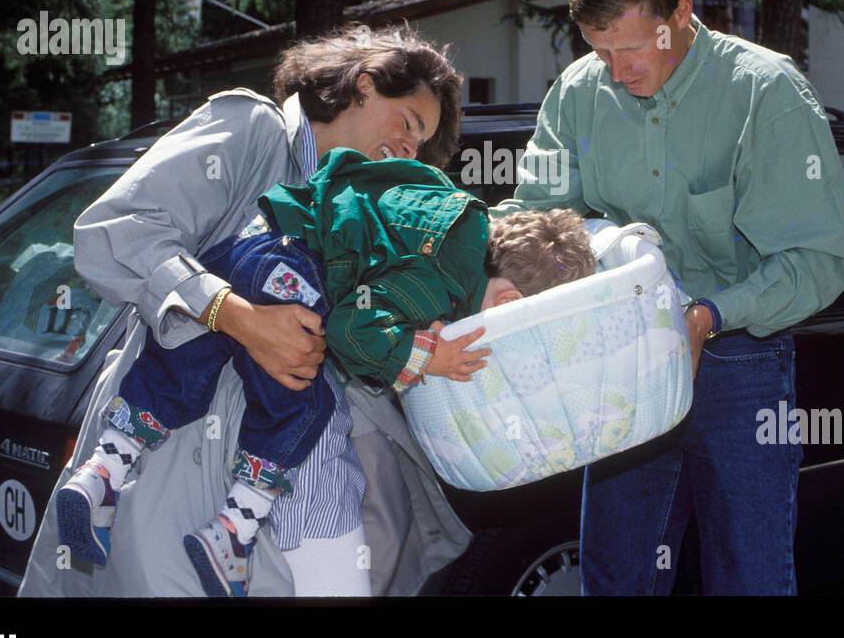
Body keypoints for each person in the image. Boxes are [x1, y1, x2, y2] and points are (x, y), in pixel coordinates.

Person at [19, 24, 477, 597]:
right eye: (408, 123)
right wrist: (237, 316)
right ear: (363, 84)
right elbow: (115, 232)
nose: (409, 148)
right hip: (182, 472)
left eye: (420, 145)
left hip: (301, 501)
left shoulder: (368, 211)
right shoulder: (251, 128)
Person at [490, 0, 844, 595]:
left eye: (629, 48)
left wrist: (705, 317)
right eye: (599, 50)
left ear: (680, 12)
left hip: (741, 357)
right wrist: (474, 255)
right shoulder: (578, 91)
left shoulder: (765, 93)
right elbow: (535, 215)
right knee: (615, 575)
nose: (616, 70)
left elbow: (820, 260)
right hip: (620, 361)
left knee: (749, 576)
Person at [54, 141, 594, 596]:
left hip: (246, 247)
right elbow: (352, 330)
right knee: (303, 390)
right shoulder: (444, 276)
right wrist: (424, 355)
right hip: (292, 263)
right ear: (509, 304)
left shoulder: (455, 224)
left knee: (190, 358)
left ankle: (104, 470)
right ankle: (233, 532)